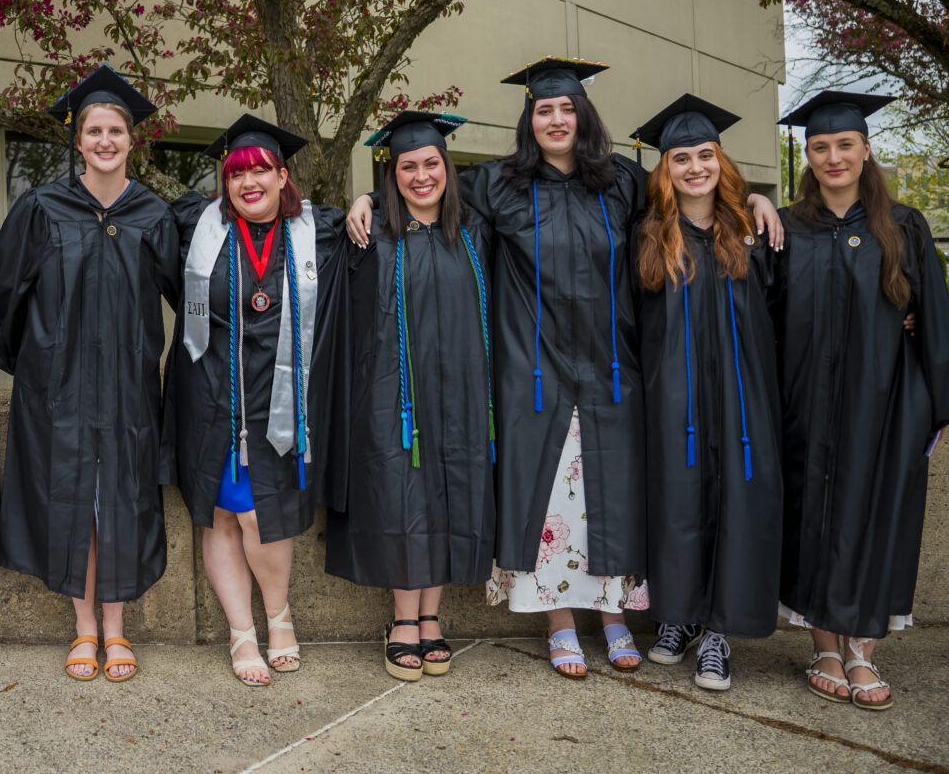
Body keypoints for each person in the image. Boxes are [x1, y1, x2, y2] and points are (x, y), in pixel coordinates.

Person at [347, 58, 782, 678]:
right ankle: (559, 623)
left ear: (584, 115)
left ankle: (613, 617)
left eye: (567, 108)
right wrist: (368, 196)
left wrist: (756, 198)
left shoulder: (623, 181)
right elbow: (428, 188)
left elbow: (689, 201)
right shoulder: (498, 183)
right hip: (534, 368)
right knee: (551, 497)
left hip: (613, 367)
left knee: (614, 493)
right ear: (529, 118)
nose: (556, 119)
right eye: (544, 109)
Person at [775, 90, 949, 711]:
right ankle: (824, 648)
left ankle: (862, 651)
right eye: (820, 147)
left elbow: (933, 314)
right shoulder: (785, 227)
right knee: (810, 519)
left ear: (866, 150)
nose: (833, 157)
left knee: (877, 515)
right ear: (808, 156)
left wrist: (940, 402)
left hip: (884, 401)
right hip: (804, 403)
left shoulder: (904, 225)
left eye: (845, 144)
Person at [0, 66, 180, 683]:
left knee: (117, 504)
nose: (105, 140)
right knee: (72, 504)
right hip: (57, 391)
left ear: (131, 140)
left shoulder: (153, 213)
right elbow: (3, 298)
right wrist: (36, 368)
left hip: (127, 390)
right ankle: (85, 628)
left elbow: (191, 293)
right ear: (78, 140)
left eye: (115, 131)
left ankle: (115, 630)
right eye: (94, 131)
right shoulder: (42, 207)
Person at [165, 115, 346, 686]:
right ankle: (241, 631)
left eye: (260, 170)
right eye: (236, 173)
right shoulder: (199, 226)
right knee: (222, 512)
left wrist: (366, 200)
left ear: (282, 176)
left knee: (262, 514)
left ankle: (279, 615)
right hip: (211, 391)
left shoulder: (319, 230)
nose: (248, 182)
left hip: (280, 396)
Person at [324, 112, 496, 682]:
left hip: (461, 391)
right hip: (393, 393)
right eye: (407, 167)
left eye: (431, 163)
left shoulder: (475, 230)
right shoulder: (370, 234)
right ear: (391, 175)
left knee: (447, 494)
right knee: (403, 497)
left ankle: (431, 617)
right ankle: (402, 620)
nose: (422, 176)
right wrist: (367, 201)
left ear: (448, 167)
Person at [631, 95, 784, 692]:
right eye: (681, 158)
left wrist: (760, 201)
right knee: (676, 503)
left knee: (736, 506)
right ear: (664, 170)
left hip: (744, 398)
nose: (695, 167)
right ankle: (680, 616)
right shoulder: (646, 236)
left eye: (705, 155)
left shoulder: (753, 232)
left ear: (722, 161)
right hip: (674, 397)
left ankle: (719, 632)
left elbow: (791, 310)